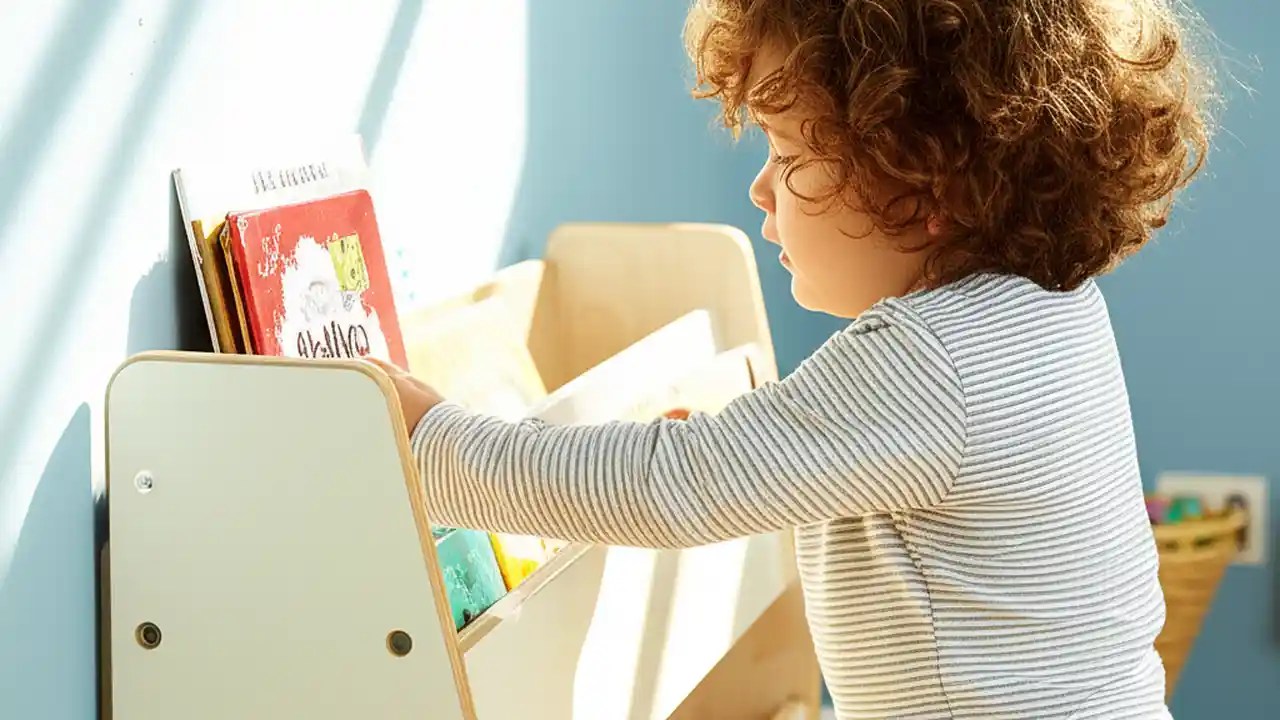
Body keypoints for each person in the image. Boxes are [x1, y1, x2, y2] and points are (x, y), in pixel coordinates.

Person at [370, 0, 1216, 716]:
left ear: (925, 184)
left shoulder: (924, 359)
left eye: (790, 156)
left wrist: (429, 443)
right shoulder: (1053, 311)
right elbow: (861, 463)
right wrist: (746, 445)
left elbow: (667, 489)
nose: (760, 188)